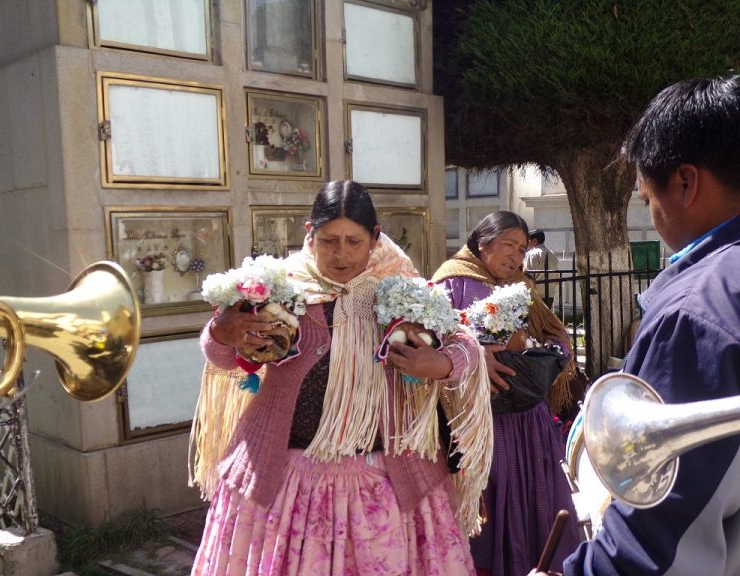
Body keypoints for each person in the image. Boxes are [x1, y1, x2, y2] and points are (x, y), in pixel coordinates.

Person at [189, 180, 493, 575]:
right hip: (284, 485)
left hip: (385, 486)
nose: (342, 254)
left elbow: (466, 344)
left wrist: (439, 364)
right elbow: (225, 358)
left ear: (374, 238)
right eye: (330, 240)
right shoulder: (276, 290)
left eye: (354, 241)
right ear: (309, 235)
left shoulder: (403, 292)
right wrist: (219, 332)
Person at [532, 76, 740, 575]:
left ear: (686, 183)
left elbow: (657, 540)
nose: (650, 210)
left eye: (647, 197)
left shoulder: (697, 313)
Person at [432, 211, 581, 576]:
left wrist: (554, 358)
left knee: (539, 500)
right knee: (492, 500)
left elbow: (557, 334)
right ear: (482, 245)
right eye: (507, 246)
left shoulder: (523, 288)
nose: (515, 257)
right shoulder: (449, 284)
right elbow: (430, 342)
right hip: (481, 421)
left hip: (529, 418)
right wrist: (473, 353)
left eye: (520, 248)